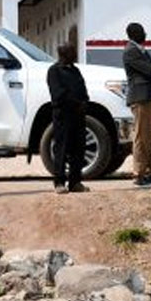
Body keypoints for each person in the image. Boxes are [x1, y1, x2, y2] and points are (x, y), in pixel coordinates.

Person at [123, 22, 151, 187]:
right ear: (134, 34)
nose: (145, 34)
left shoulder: (141, 50)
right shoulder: (131, 52)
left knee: (150, 138)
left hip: (150, 97)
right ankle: (138, 173)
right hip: (141, 98)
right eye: (142, 31)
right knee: (141, 136)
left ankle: (149, 172)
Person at [46, 43, 89, 194]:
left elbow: (82, 89)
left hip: (78, 116)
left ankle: (75, 182)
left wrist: (84, 102)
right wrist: (75, 103)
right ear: (64, 54)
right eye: (72, 52)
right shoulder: (54, 71)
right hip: (63, 116)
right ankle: (59, 182)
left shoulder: (75, 70)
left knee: (78, 149)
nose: (75, 54)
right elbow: (58, 94)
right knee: (62, 149)